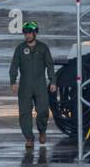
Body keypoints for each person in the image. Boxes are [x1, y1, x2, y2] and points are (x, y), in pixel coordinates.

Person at [9, 19, 56, 149]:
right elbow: (14, 66)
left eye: (30, 33)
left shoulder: (43, 48)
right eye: (25, 33)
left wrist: (53, 81)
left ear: (35, 33)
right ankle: (29, 138)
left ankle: (42, 131)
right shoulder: (20, 48)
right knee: (24, 113)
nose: (27, 35)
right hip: (25, 85)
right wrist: (13, 81)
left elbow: (50, 65)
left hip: (40, 85)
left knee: (42, 111)